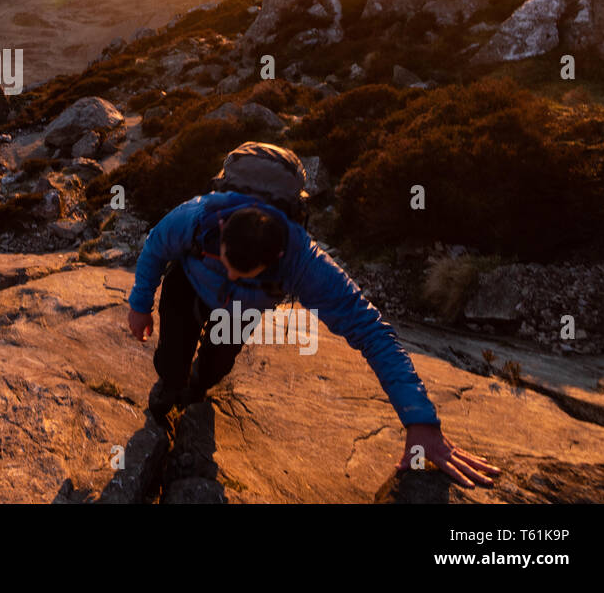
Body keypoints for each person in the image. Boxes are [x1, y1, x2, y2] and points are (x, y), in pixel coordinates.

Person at [127, 142, 501, 488]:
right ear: (222, 228)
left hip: (240, 310)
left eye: (246, 273)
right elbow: (155, 251)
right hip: (188, 285)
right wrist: (140, 306)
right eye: (227, 263)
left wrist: (420, 419)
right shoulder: (195, 217)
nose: (233, 275)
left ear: (276, 259)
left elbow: (371, 330)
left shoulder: (304, 262)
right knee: (171, 359)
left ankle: (195, 389)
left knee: (214, 369)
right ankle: (171, 385)